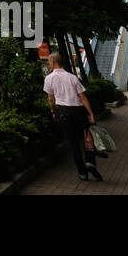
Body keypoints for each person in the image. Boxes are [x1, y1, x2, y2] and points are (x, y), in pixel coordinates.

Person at [43, 52, 102, 181]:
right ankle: (90, 161)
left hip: (64, 113)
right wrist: (91, 114)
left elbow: (51, 99)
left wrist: (53, 112)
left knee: (73, 143)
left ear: (53, 62)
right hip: (79, 112)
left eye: (49, 62)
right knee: (87, 138)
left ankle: (82, 172)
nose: (48, 64)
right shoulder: (72, 77)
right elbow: (82, 97)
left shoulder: (49, 78)